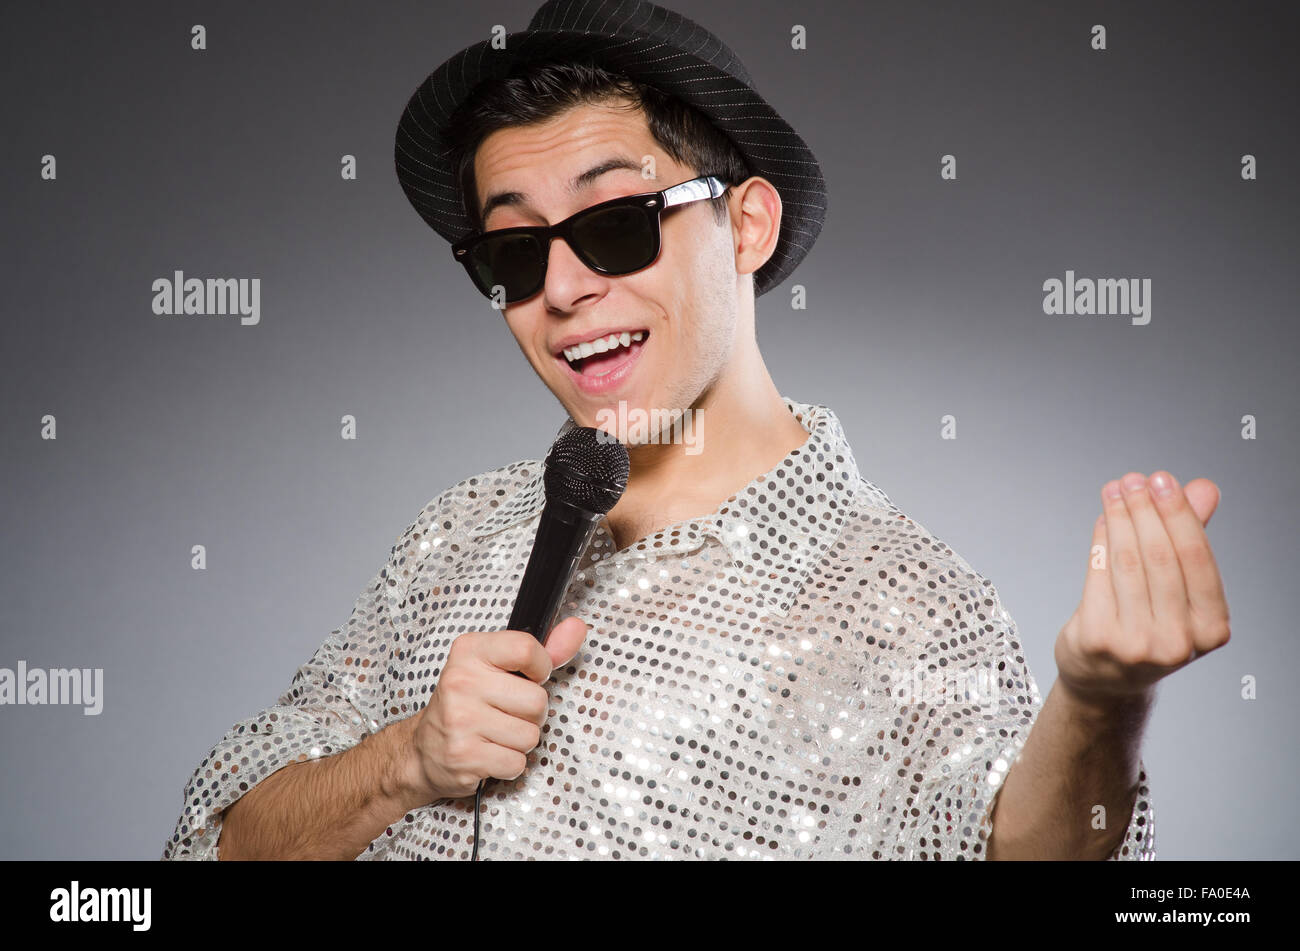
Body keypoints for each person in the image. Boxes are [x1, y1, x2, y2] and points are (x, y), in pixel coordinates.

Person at [164, 0, 1229, 861]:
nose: (566, 290)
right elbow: (217, 844)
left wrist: (1098, 703)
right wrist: (406, 760)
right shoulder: (451, 538)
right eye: (515, 255)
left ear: (747, 224)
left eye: (615, 225)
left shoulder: (908, 605)